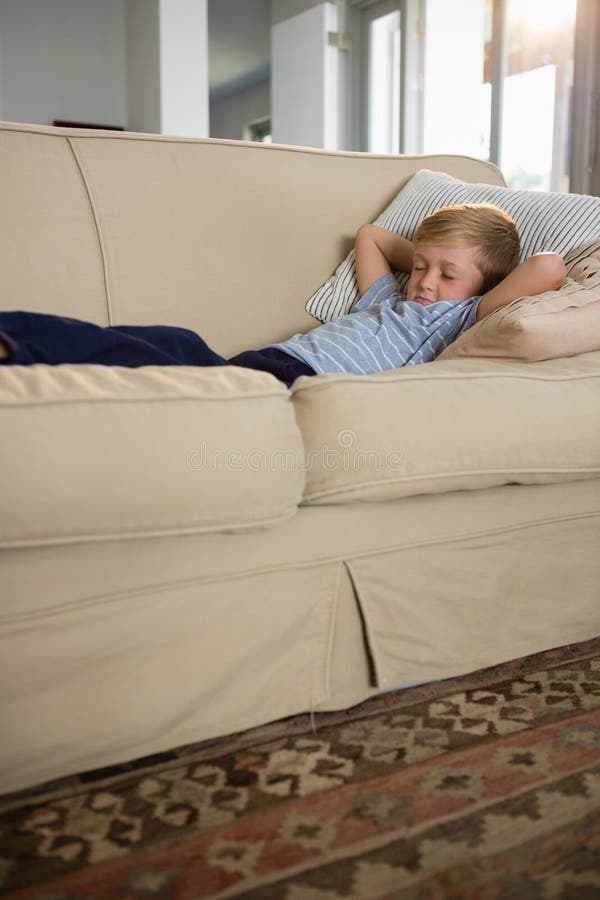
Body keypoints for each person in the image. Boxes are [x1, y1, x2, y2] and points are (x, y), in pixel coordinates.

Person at [0, 203, 566, 384]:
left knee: (163, 365)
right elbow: (369, 237)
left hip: (301, 384)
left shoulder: (464, 316)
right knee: (173, 341)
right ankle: (17, 335)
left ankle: (19, 345)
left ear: (485, 285)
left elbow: (548, 264)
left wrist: (474, 281)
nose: (425, 281)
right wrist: (426, 253)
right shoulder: (387, 300)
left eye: (447, 273)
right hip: (268, 360)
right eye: (420, 266)